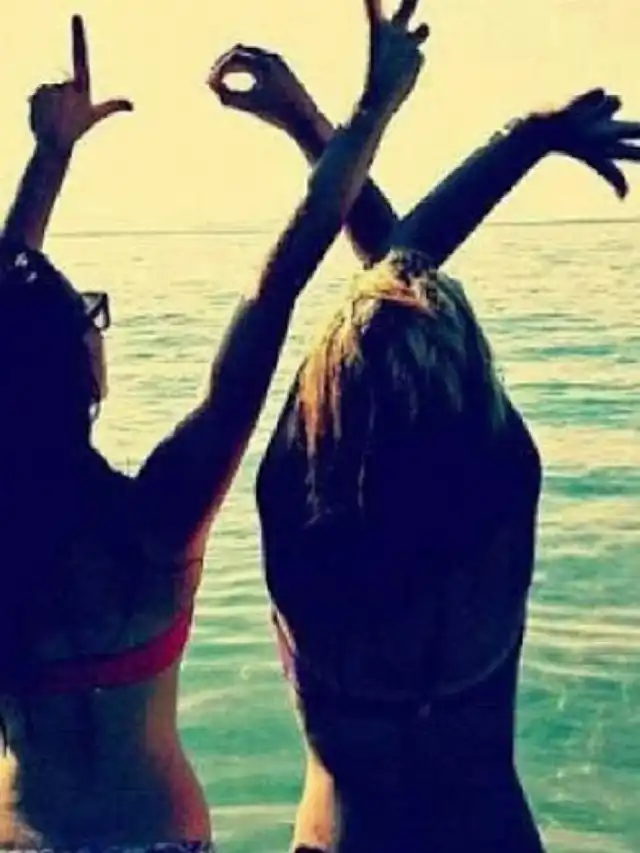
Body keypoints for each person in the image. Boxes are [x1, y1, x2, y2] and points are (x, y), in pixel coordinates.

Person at [211, 10, 640, 853]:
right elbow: (400, 267)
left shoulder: (293, 503)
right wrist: (528, 137)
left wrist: (325, 124)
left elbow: (319, 286)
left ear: (320, 390)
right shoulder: (502, 485)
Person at [0, 5, 427, 849]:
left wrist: (50, 157)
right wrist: (370, 108)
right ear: (84, 370)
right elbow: (276, 289)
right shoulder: (155, 526)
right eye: (89, 317)